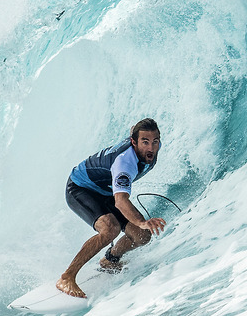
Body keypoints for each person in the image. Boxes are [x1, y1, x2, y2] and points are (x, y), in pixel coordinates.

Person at [57, 118, 166, 298]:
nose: (151, 148)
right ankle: (67, 277)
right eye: (145, 142)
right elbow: (121, 201)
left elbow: (138, 132)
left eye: (155, 142)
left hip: (104, 190)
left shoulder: (150, 146)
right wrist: (142, 221)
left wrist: (141, 226)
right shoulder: (125, 164)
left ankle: (110, 260)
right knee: (110, 228)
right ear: (134, 141)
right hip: (80, 188)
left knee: (142, 235)